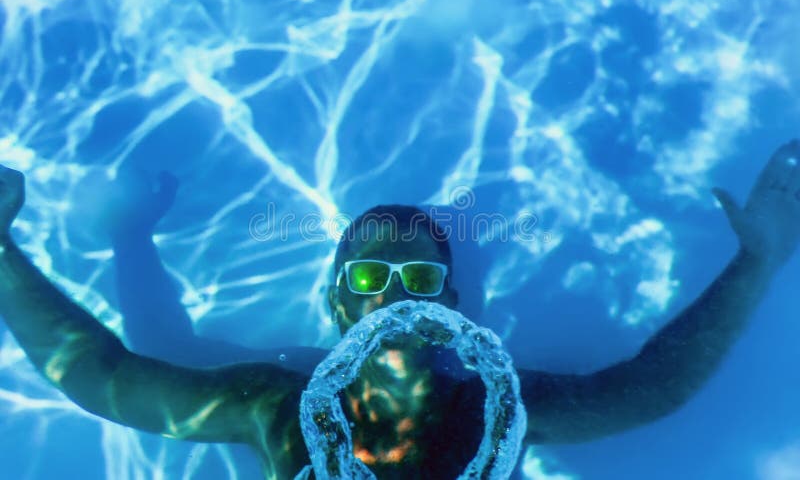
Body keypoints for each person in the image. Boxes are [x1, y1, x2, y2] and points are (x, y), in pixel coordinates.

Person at [0, 139, 799, 479]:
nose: (390, 294)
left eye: (415, 273)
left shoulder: (499, 405)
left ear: (449, 303)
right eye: (368, 276)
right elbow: (116, 370)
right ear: (334, 301)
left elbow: (652, 387)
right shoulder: (275, 404)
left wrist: (757, 260)